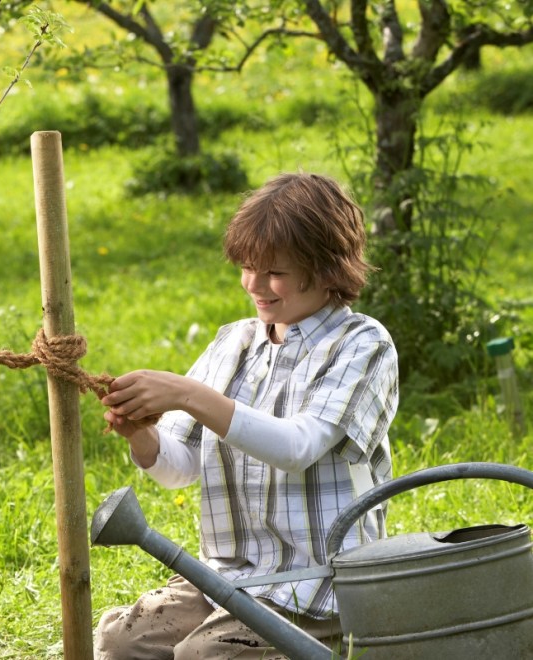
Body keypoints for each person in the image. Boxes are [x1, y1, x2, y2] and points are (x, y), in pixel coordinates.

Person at [95, 172, 399, 659]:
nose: (255, 286)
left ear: (327, 269)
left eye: (274, 271)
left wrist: (189, 394)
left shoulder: (360, 344)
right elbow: (180, 468)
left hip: (318, 588)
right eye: (247, 267)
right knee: (122, 641)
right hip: (227, 578)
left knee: (205, 655)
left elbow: (297, 447)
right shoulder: (233, 344)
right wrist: (143, 437)